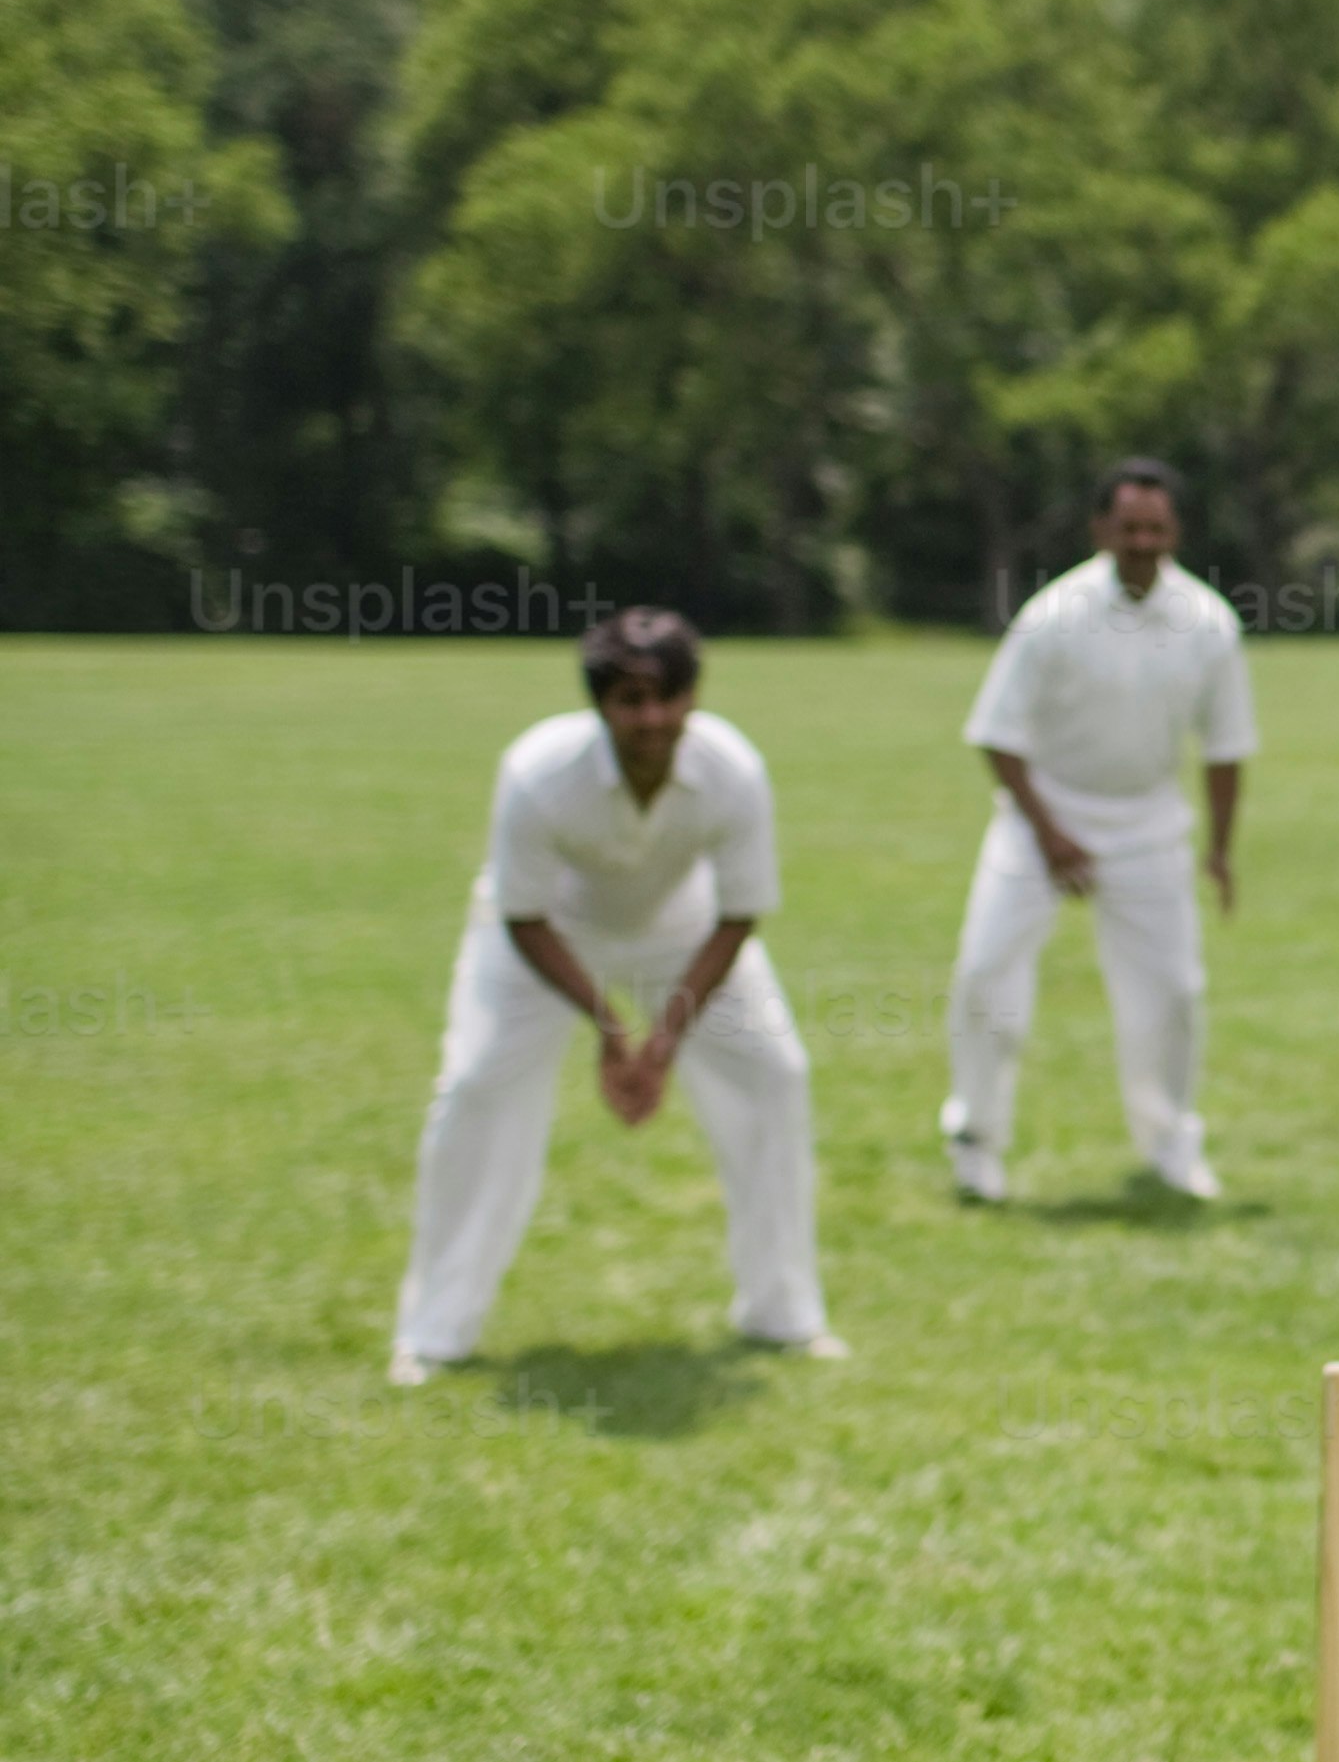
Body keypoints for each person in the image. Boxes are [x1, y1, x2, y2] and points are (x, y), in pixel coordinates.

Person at [390, 602, 838, 1385]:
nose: (652, 717)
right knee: (476, 1090)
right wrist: (607, 1028)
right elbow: (521, 915)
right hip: (544, 934)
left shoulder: (733, 771)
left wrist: (663, 1038)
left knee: (775, 1078)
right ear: (600, 704)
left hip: (685, 929)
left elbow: (739, 916)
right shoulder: (538, 772)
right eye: (631, 700)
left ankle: (784, 1314)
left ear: (694, 698)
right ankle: (434, 1333)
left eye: (668, 696)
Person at [942, 460, 1256, 1204]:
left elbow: (1225, 746)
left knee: (1173, 993)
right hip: (1040, 817)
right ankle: (975, 1140)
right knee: (986, 971)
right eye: (1129, 527)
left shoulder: (1209, 622)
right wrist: (1050, 835)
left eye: (1156, 527)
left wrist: (1217, 850)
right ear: (1101, 530)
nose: (1143, 541)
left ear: (1175, 531)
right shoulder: (1054, 615)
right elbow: (996, 736)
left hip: (1148, 823)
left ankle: (1171, 1142)